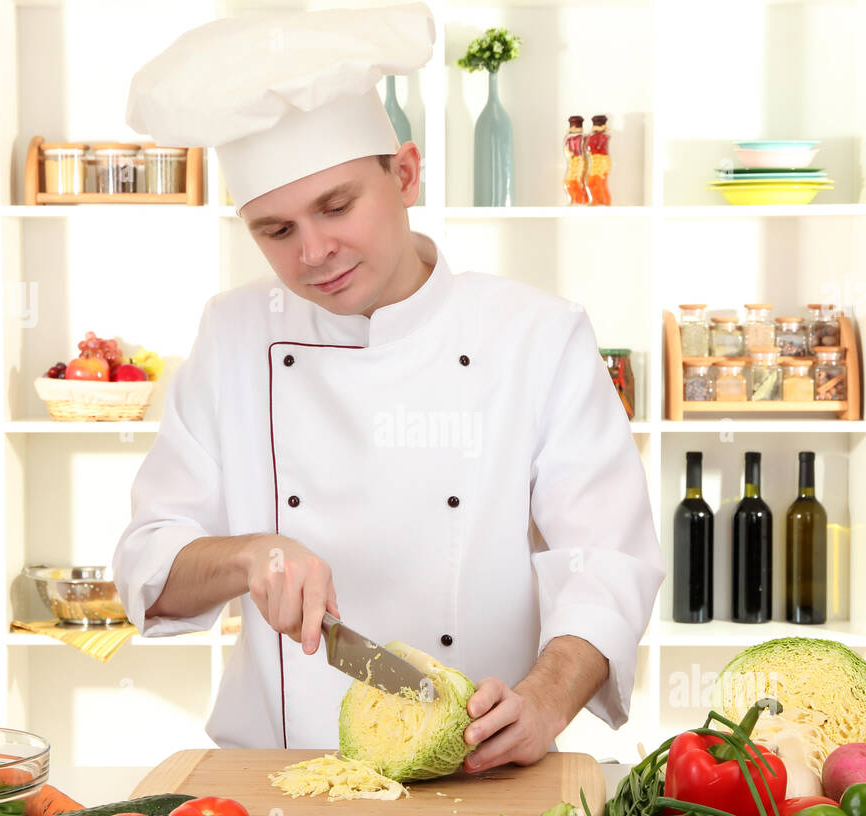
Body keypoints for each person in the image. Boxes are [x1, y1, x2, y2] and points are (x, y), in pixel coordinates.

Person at [114, 2, 663, 773]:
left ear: (404, 175)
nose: (314, 252)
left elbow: (605, 557)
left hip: (477, 771)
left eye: (336, 206)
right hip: (279, 776)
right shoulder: (234, 334)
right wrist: (249, 558)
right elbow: (147, 565)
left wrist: (543, 700)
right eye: (275, 230)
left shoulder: (535, 336)